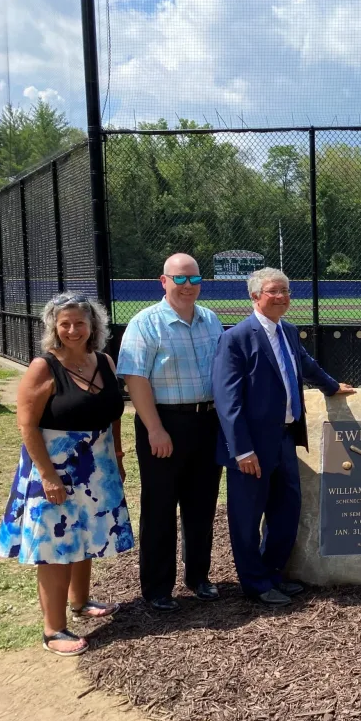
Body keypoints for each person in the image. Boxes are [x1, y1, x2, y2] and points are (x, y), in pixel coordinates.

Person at [0, 293, 133, 656]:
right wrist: (47, 475)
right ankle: (53, 629)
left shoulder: (104, 361)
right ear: (54, 327)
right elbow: (26, 424)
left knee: (84, 535)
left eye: (80, 323)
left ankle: (81, 601)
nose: (73, 330)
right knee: (55, 547)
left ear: (93, 326)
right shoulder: (45, 366)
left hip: (96, 464)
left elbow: (113, 412)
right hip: (55, 466)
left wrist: (116, 454)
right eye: (65, 323)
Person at [213, 268, 355, 606]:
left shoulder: (288, 331)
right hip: (252, 448)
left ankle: (273, 575)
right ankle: (255, 584)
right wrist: (242, 450)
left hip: (285, 439)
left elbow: (306, 365)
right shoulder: (236, 338)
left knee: (285, 511)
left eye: (286, 291)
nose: (282, 297)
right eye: (274, 291)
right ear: (255, 296)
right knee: (247, 518)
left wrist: (333, 387)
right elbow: (227, 400)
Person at [116, 253, 225, 612]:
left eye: (194, 279)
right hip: (163, 423)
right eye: (179, 279)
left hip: (206, 423)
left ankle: (198, 577)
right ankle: (158, 588)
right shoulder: (145, 322)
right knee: (160, 507)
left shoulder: (210, 319)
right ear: (163, 282)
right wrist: (155, 429)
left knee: (202, 505)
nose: (188, 286)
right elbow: (136, 379)